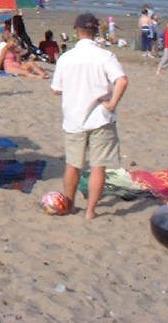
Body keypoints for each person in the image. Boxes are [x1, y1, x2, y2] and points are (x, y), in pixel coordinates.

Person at [50, 13, 128, 219]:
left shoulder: (66, 58)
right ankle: (91, 211)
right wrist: (111, 103)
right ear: (96, 32)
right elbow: (121, 80)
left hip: (74, 117)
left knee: (73, 164)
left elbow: (56, 89)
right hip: (100, 117)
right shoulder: (104, 56)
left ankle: (70, 204)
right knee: (97, 166)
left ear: (76, 31)